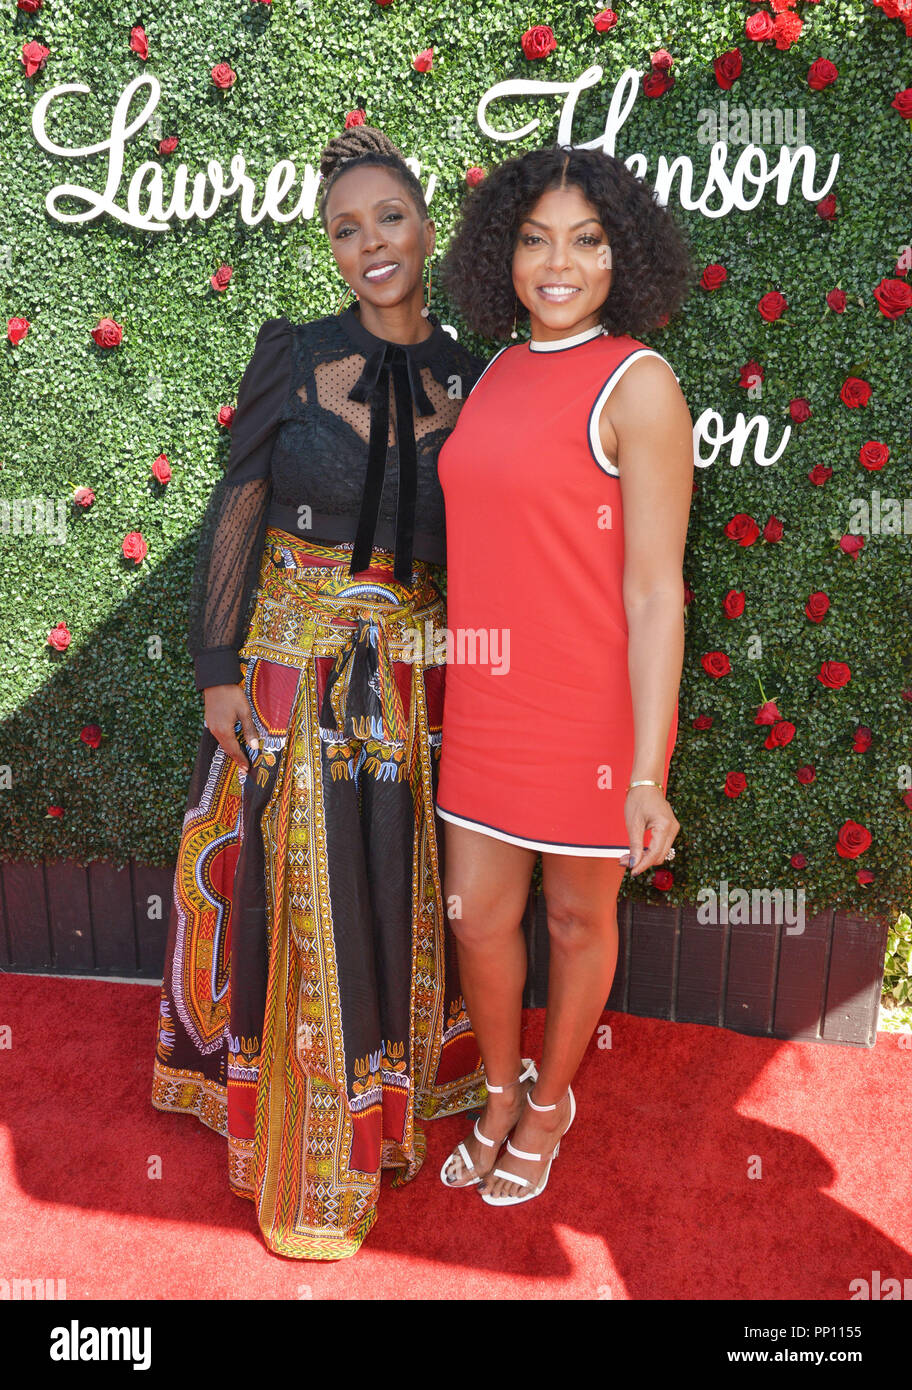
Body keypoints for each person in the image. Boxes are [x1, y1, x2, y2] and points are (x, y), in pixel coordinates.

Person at [151, 125, 488, 1259]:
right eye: (346, 229)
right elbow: (238, 506)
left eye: (388, 217)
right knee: (302, 902)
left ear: (427, 225)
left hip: (412, 680)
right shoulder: (290, 354)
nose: (369, 244)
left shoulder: (474, 375)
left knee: (389, 889)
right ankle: (303, 1159)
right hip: (293, 666)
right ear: (333, 250)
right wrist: (215, 671)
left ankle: (390, 1113)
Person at [434, 144, 696, 1205]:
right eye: (537, 238)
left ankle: (551, 1103)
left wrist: (645, 772)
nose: (559, 262)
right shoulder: (492, 370)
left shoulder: (640, 383)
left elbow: (654, 594)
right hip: (488, 707)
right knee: (477, 917)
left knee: (578, 921)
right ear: (504, 251)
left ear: (620, 256)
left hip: (590, 721)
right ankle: (503, 1086)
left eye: (586, 241)